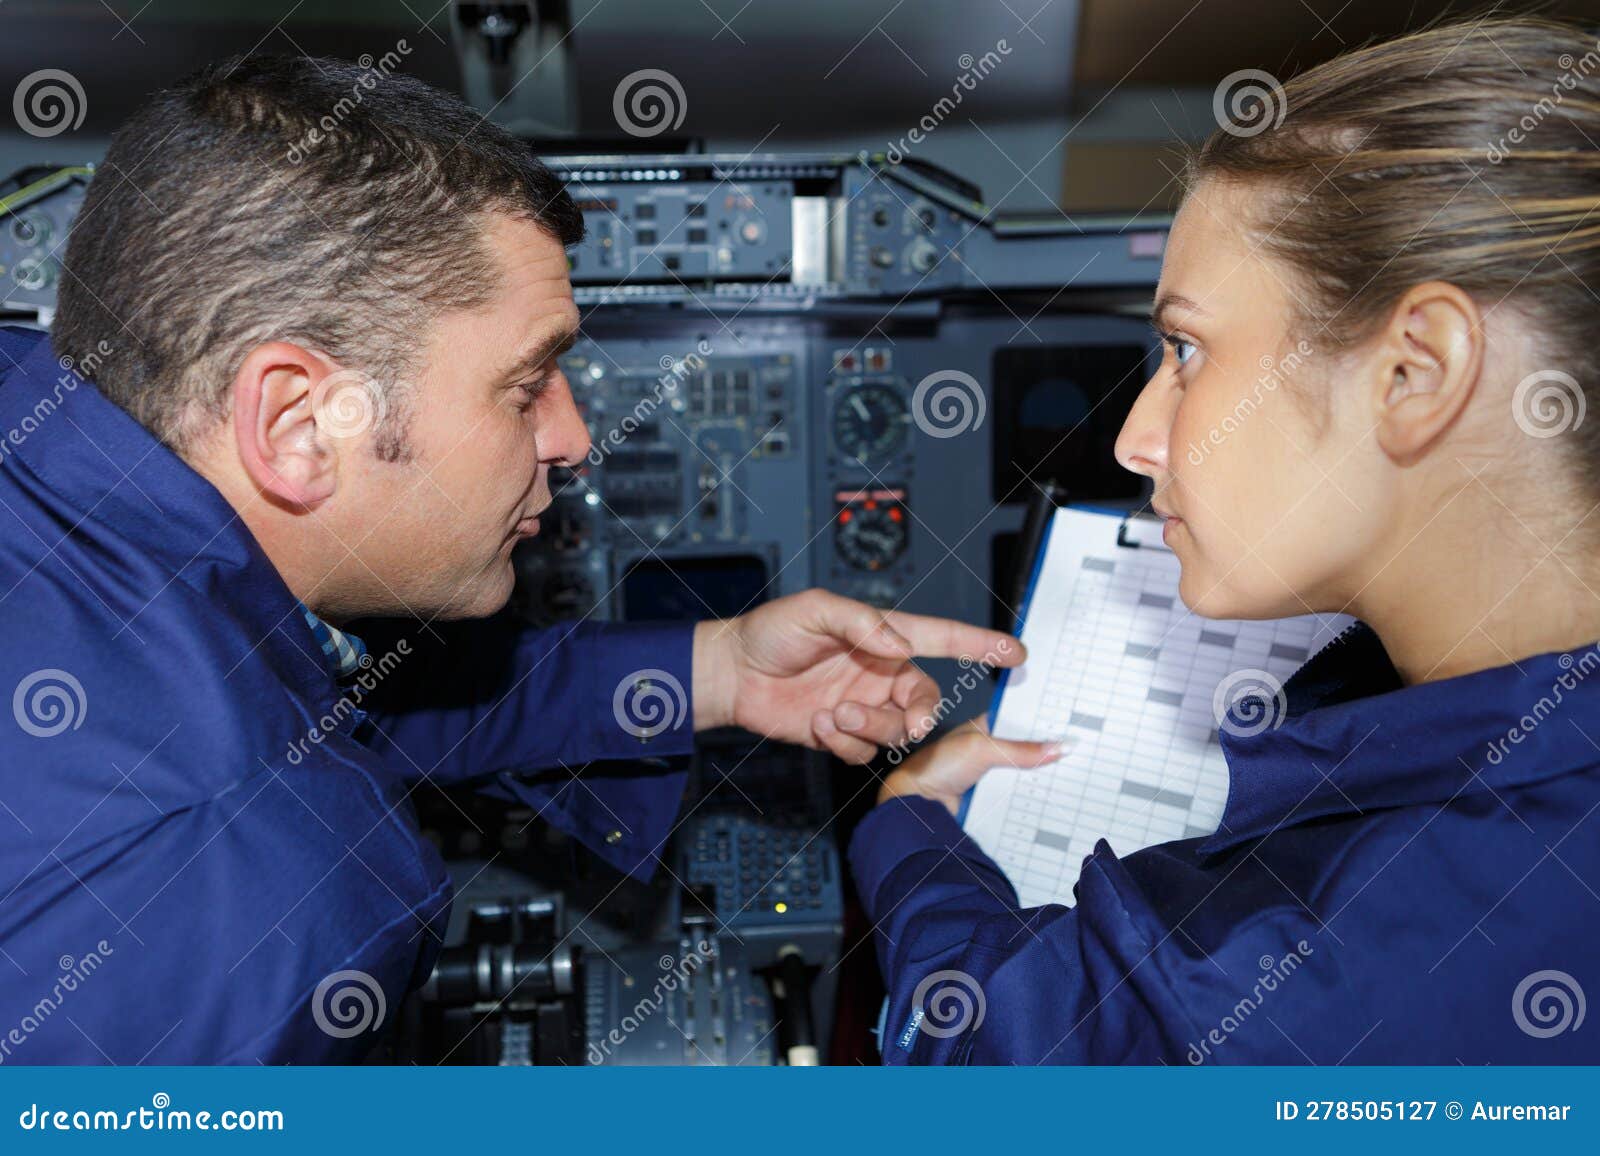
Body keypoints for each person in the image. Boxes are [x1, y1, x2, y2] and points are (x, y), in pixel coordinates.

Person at [0, 56, 1025, 1064]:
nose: (576, 436)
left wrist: (714, 671)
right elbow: (266, 756)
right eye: (527, 382)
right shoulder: (263, 895)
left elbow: (296, 695)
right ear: (298, 423)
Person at [852, 14, 1600, 1064]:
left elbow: (994, 1054)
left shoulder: (1323, 987)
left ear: (1414, 371)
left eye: (1186, 348)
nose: (1134, 437)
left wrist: (905, 822)